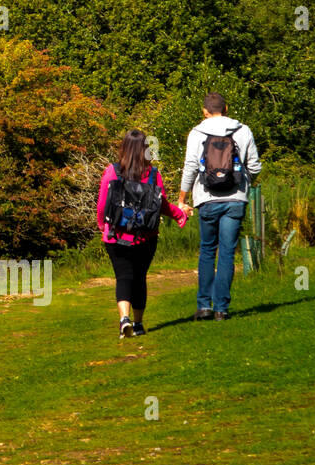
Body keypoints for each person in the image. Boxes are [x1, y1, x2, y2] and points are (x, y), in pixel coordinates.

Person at [177, 92, 262, 320]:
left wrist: (182, 198)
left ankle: (204, 306)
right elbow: (254, 166)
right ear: (226, 108)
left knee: (207, 250)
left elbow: (190, 167)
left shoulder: (197, 133)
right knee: (226, 252)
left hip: (207, 197)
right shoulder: (243, 130)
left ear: (205, 112)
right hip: (235, 199)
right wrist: (243, 183)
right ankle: (221, 309)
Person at [97, 129, 188, 338]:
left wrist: (103, 225)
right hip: (145, 237)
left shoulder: (112, 171)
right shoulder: (153, 174)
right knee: (139, 278)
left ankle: (124, 319)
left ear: (124, 148)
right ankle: (138, 324)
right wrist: (179, 215)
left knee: (123, 277)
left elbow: (103, 204)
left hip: (116, 236)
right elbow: (161, 204)